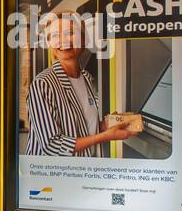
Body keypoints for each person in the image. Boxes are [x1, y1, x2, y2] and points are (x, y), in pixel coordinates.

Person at [25, 11, 136, 156]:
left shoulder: (87, 78)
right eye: (55, 36)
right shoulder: (43, 84)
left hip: (82, 170)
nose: (63, 40)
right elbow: (52, 145)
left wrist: (105, 125)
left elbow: (82, 129)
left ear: (84, 39)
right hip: (52, 174)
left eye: (70, 32)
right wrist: (105, 136)